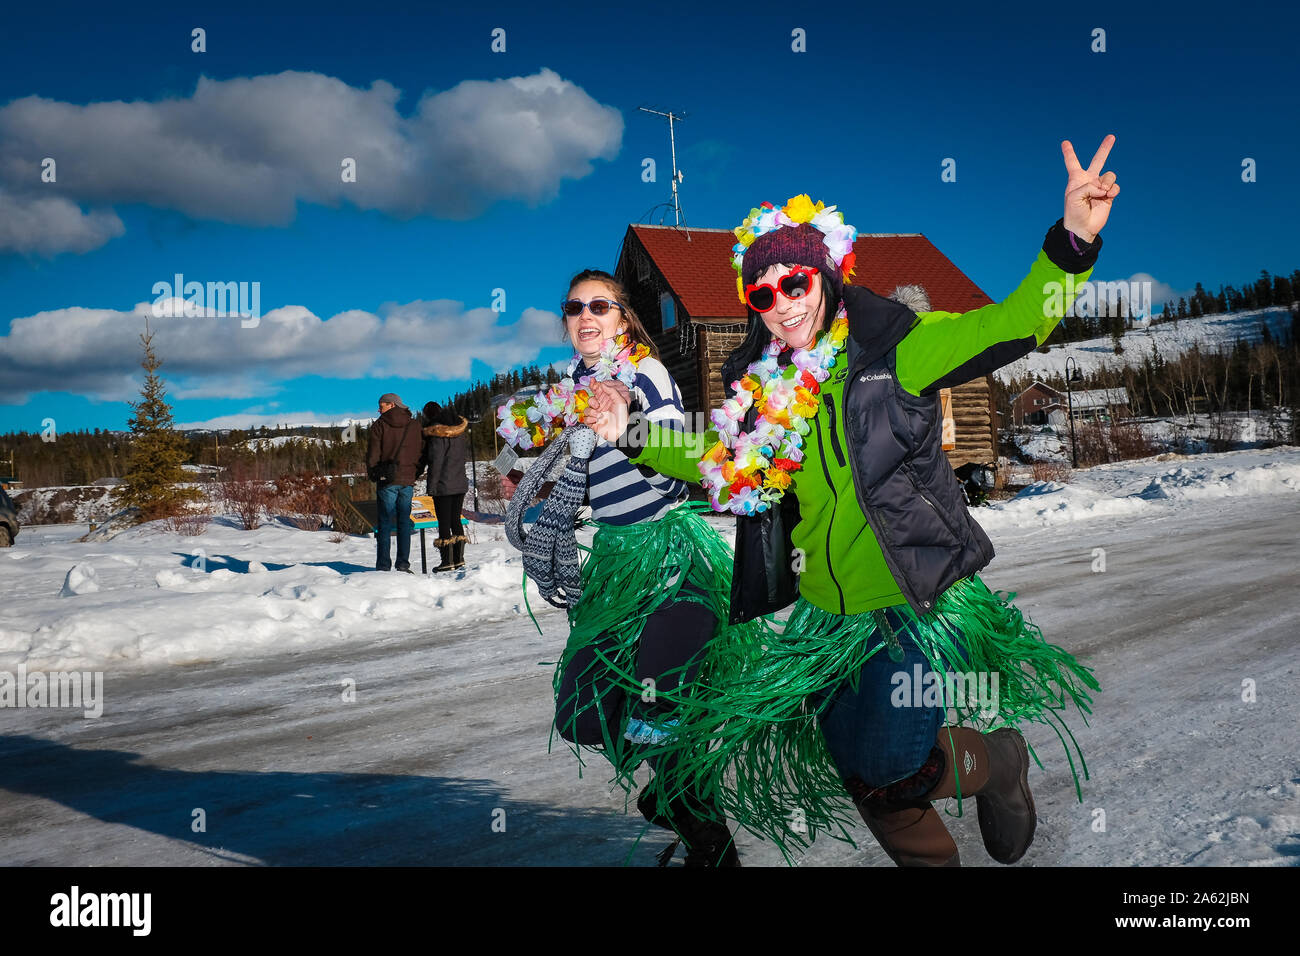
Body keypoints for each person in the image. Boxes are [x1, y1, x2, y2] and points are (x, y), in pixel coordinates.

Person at [587, 136, 1118, 865]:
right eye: (762, 293)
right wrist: (634, 432)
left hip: (910, 600)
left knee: (892, 765)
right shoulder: (766, 393)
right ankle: (989, 765)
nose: (780, 305)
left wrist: (1072, 245)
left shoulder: (900, 349)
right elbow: (717, 455)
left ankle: (998, 763)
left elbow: (1017, 323)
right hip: (823, 618)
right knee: (866, 775)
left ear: (827, 279)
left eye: (794, 283)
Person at [498, 268, 770, 866]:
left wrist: (631, 423)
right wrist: (531, 468)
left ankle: (705, 834)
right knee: (582, 713)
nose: (586, 316)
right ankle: (683, 801)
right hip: (616, 560)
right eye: (574, 307)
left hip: (669, 553)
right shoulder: (571, 386)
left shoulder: (642, 373)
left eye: (601, 306)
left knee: (659, 703)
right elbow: (560, 456)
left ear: (624, 319)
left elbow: (682, 454)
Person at [366, 392, 422, 573]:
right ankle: (403, 564)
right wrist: (415, 472)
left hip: (387, 480)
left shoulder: (379, 425)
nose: (378, 409)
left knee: (384, 523)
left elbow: (373, 454)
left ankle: (383, 566)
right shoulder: (414, 425)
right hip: (407, 480)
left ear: (392, 405)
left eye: (381, 405)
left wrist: (374, 474)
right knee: (404, 523)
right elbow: (421, 452)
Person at [417, 401, 470, 573]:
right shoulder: (460, 433)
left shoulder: (437, 434)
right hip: (459, 482)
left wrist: (431, 486)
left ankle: (446, 561)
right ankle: (459, 559)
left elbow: (436, 461)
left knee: (444, 522)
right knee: (455, 519)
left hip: (443, 485)